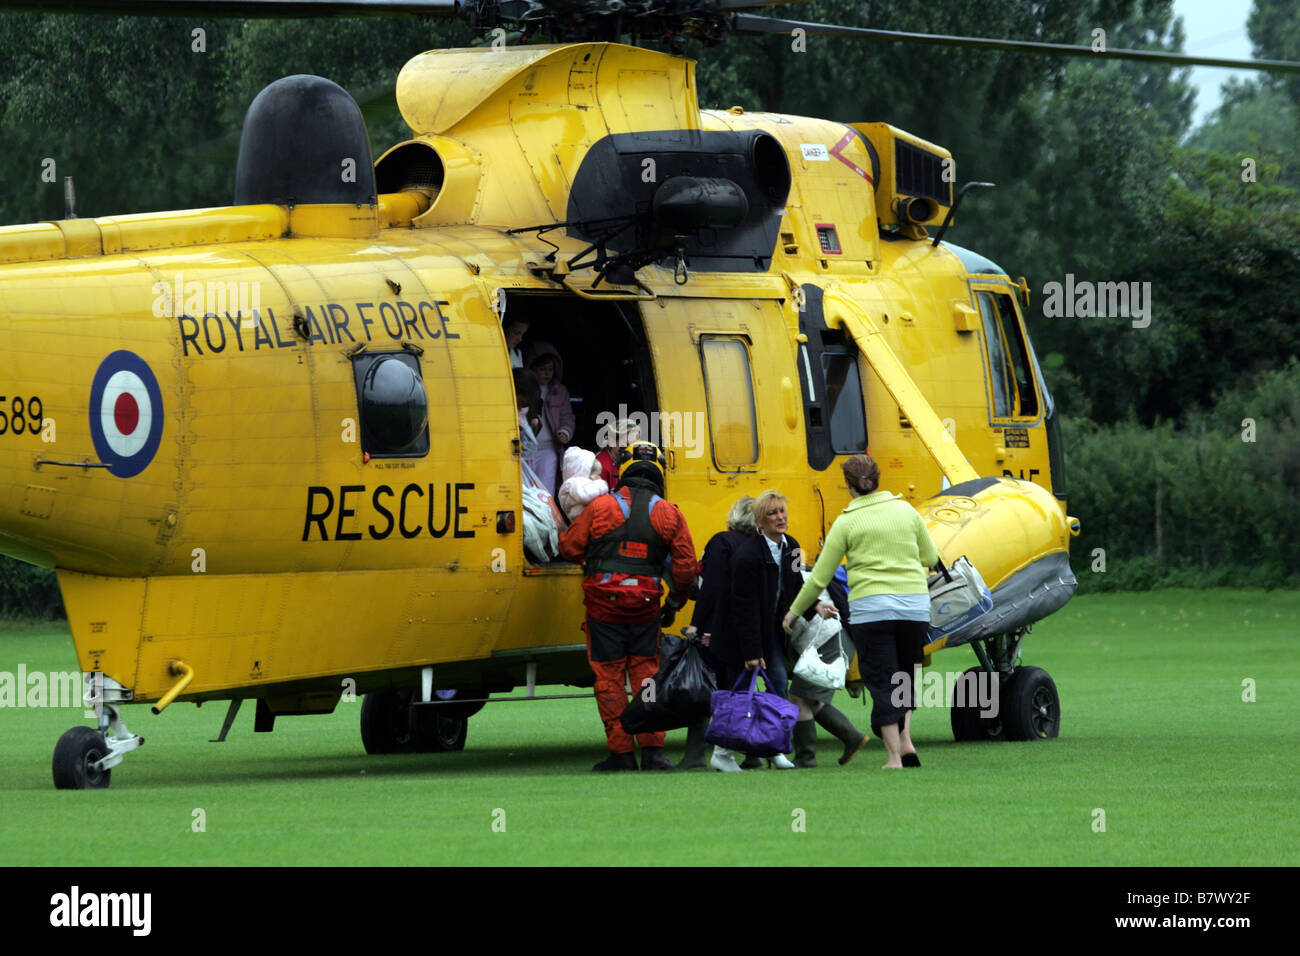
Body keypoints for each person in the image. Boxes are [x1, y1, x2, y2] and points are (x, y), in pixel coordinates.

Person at [783, 454, 938, 770]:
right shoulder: (906, 510)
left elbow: (820, 578)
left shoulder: (846, 521)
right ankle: (907, 741)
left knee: (881, 678)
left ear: (849, 485)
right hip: (914, 607)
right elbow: (931, 555)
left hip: (872, 608)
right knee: (905, 674)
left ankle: (894, 757)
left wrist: (794, 612)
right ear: (878, 479)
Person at [559, 442, 697, 771]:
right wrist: (674, 603)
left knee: (609, 680)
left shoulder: (600, 507)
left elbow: (568, 547)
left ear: (624, 470)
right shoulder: (669, 512)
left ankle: (621, 754)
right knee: (646, 677)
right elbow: (686, 569)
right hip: (646, 609)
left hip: (604, 609)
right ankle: (653, 752)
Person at [727, 490, 833, 770]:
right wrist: (751, 651)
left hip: (774, 633)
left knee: (777, 687)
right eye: (772, 513)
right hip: (746, 634)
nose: (780, 517)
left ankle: (775, 749)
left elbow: (797, 586)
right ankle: (733, 754)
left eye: (782, 511)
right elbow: (743, 607)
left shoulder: (793, 546)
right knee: (744, 693)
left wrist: (815, 606)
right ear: (760, 522)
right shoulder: (747, 555)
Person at [680, 495, 756, 772]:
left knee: (709, 690)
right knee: (743, 690)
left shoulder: (721, 542)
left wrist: (697, 626)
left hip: (719, 629)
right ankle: (755, 751)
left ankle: (702, 754)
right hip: (750, 631)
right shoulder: (760, 546)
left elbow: (710, 590)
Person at [785, 565, 871, 767]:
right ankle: (852, 737)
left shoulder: (793, 581)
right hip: (836, 636)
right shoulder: (804, 574)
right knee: (810, 699)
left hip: (828, 638)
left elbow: (795, 623)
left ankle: (806, 757)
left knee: (797, 697)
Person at [527, 343, 575, 495]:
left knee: (546, 490)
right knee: (526, 490)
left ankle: (546, 518)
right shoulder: (525, 389)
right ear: (532, 368)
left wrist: (565, 432)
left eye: (550, 369)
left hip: (549, 448)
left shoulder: (559, 391)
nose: (547, 374)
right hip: (526, 448)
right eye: (542, 369)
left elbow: (567, 416)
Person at [557, 446, 608, 521]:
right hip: (584, 523)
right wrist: (602, 485)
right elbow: (585, 495)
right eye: (597, 475)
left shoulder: (579, 484)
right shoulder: (573, 484)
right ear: (585, 470)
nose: (599, 477)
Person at [595, 417, 639, 489]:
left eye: (636, 445)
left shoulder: (630, 460)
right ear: (612, 442)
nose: (632, 449)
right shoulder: (601, 467)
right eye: (628, 444)